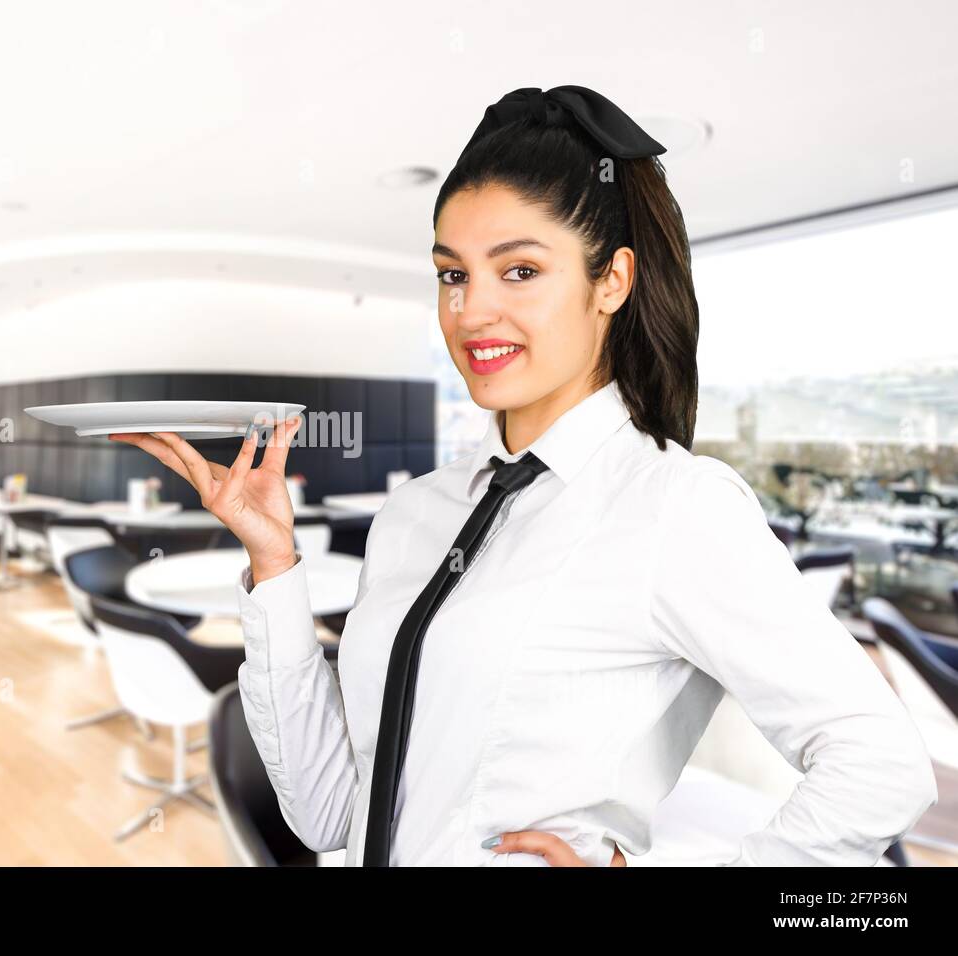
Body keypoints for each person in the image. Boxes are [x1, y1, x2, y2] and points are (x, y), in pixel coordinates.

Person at [109, 86, 937, 866]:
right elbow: (329, 814)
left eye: (520, 271)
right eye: (452, 273)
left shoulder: (673, 508)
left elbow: (881, 767)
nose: (471, 311)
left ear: (611, 280)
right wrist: (274, 566)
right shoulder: (415, 516)